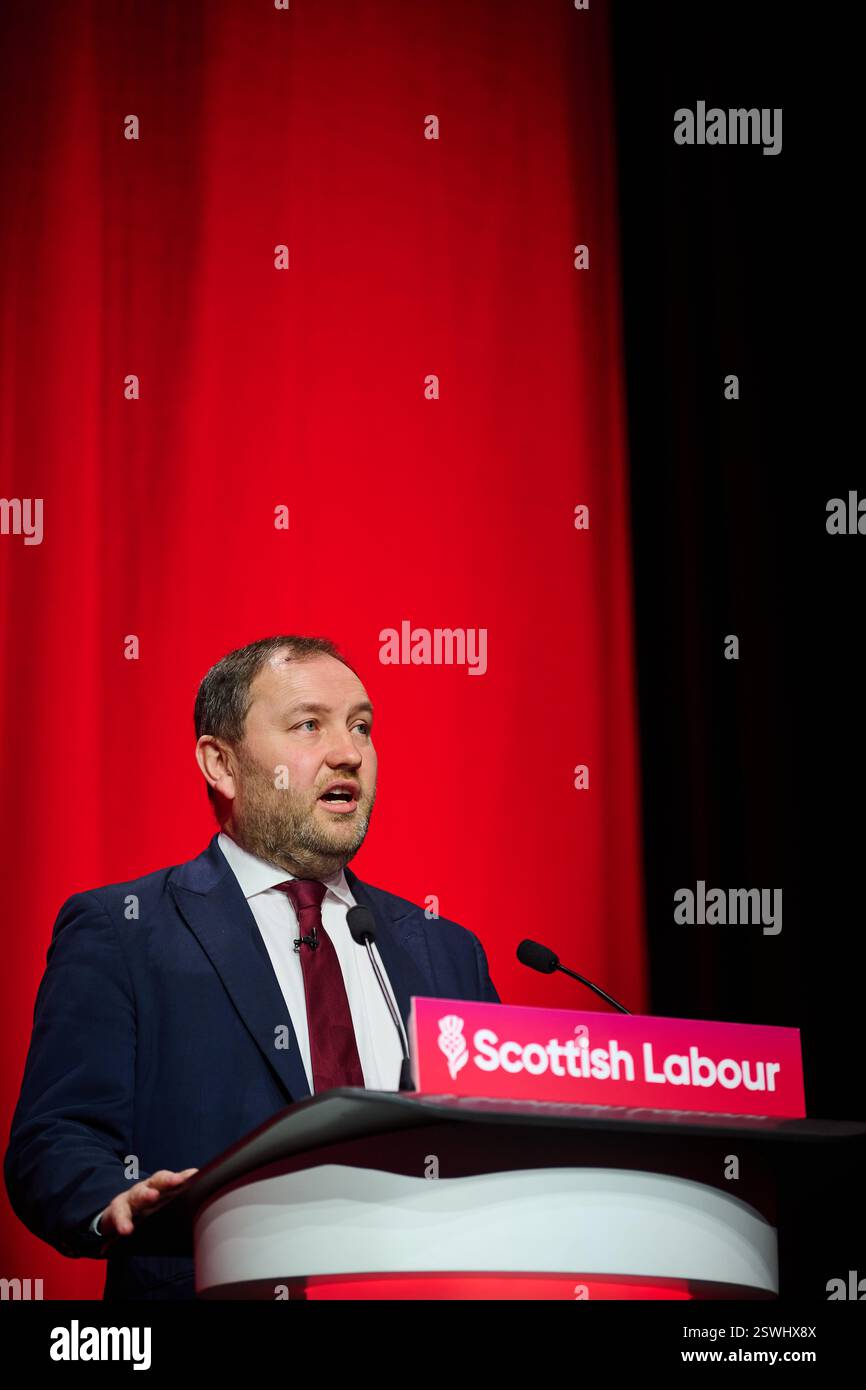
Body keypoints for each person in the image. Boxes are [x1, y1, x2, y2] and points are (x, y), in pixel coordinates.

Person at [4, 635, 500, 1300]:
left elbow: (497, 1151)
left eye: (361, 726)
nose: (349, 751)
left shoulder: (446, 951)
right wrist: (113, 1198)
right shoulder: (124, 930)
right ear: (222, 763)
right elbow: (55, 1138)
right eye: (309, 725)